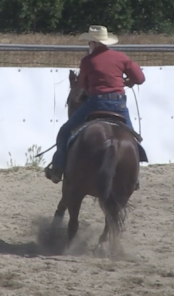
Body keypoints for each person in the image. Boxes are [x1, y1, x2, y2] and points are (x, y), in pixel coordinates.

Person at [45, 25, 145, 183]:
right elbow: (139, 78)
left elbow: (83, 85)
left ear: (93, 43)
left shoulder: (87, 61)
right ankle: (134, 176)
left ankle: (58, 168)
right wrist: (127, 82)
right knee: (132, 137)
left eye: (89, 43)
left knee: (64, 132)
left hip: (95, 103)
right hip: (118, 104)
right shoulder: (121, 58)